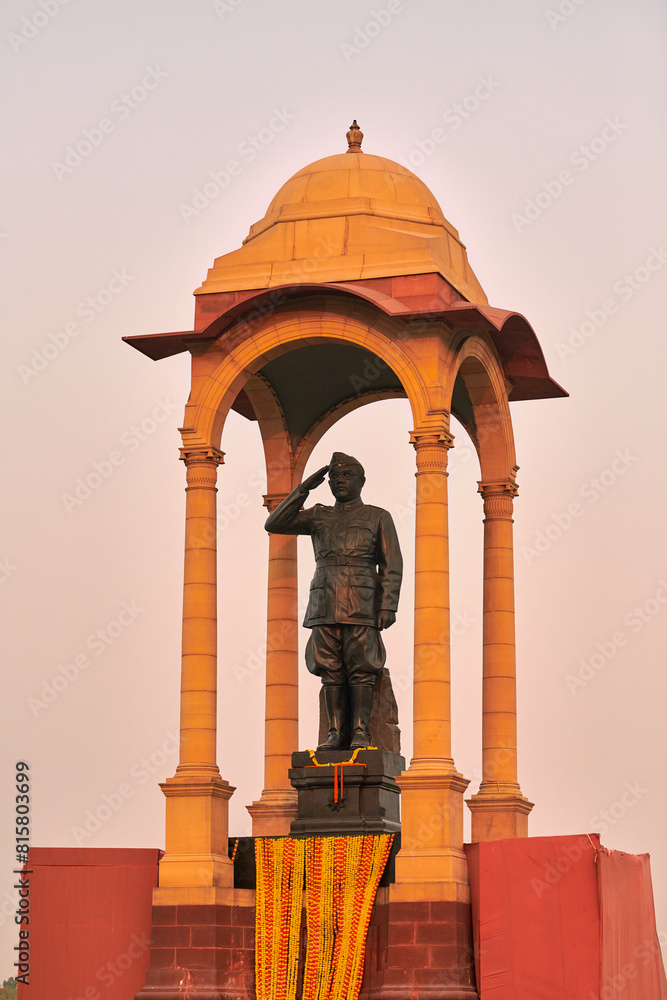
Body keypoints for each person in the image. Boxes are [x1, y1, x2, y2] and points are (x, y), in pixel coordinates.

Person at [265, 452, 402, 750]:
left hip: (362, 604)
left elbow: (392, 565)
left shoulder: (378, 517)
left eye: (346, 476)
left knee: (362, 668)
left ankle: (361, 732)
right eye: (333, 478)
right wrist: (303, 489)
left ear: (361, 481)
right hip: (324, 602)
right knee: (330, 670)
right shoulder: (318, 514)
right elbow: (275, 523)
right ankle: (335, 733)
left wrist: (387, 605)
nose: (339, 481)